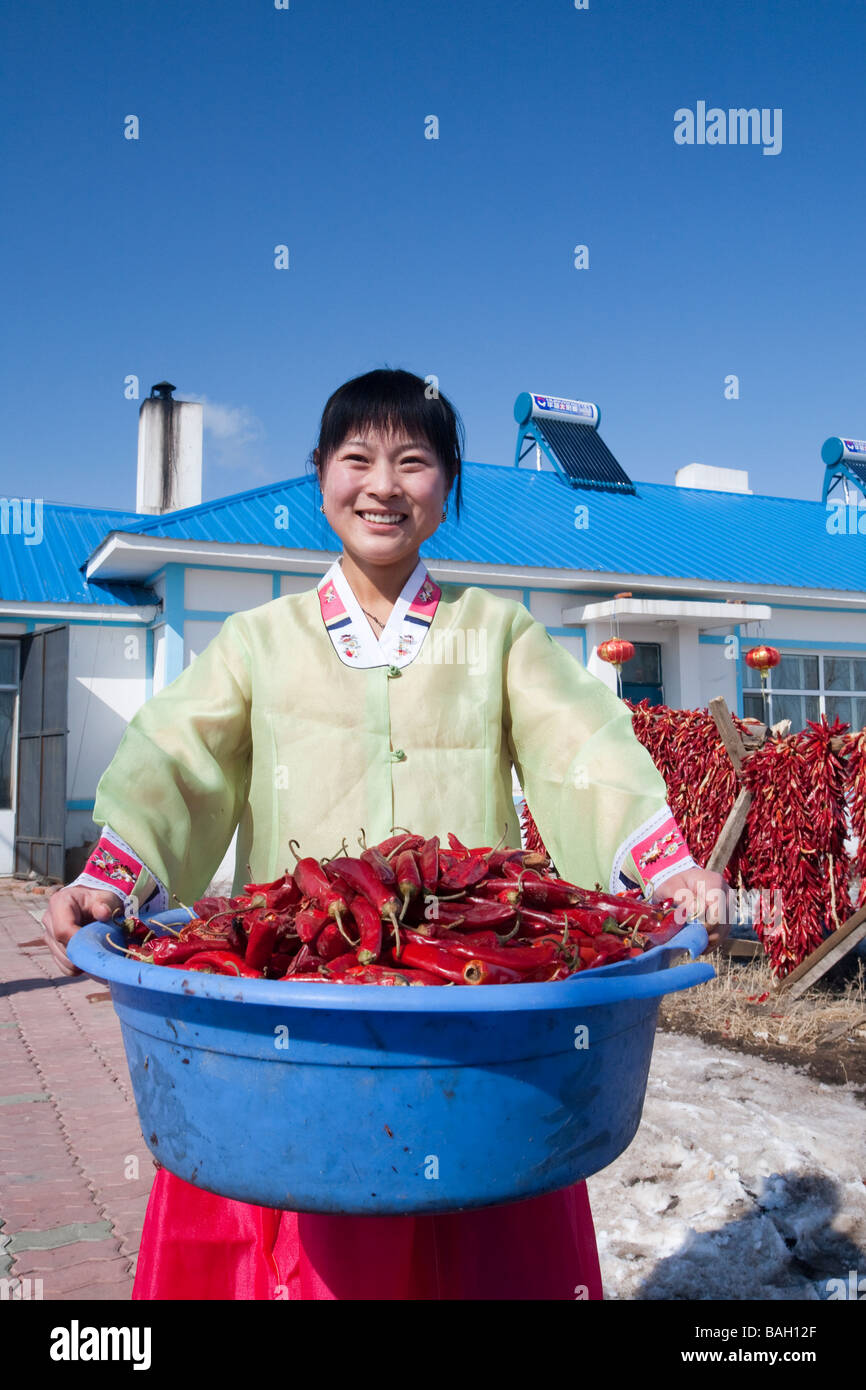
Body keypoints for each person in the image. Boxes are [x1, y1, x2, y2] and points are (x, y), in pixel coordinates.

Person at [44, 367, 727, 1300]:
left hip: (473, 1015)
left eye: (413, 461)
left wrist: (666, 870)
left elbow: (583, 752)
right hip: (301, 1007)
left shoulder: (499, 636)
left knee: (475, 1241)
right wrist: (112, 880)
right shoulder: (260, 641)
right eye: (357, 457)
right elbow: (180, 762)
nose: (383, 484)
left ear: (446, 485)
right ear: (319, 473)